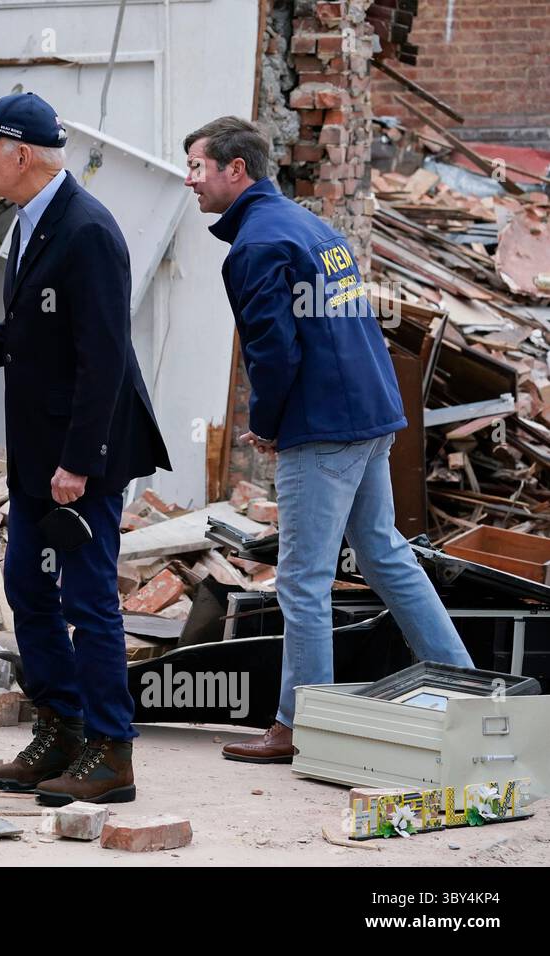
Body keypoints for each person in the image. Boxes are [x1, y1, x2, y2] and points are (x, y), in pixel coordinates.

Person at [0, 93, 170, 806]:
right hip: (38, 455)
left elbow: (104, 359)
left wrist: (79, 463)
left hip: (82, 458)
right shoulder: (29, 225)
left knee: (87, 598)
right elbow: (21, 333)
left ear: (20, 153)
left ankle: (113, 753)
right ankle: (63, 730)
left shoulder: (89, 232)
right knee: (27, 588)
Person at [181, 115, 474, 763]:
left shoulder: (255, 245)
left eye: (198, 166)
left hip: (326, 427)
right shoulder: (309, 225)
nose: (189, 180)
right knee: (383, 551)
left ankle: (298, 723)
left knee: (304, 581)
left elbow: (273, 351)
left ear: (237, 170)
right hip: (371, 414)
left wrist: (267, 423)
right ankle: (463, 683)